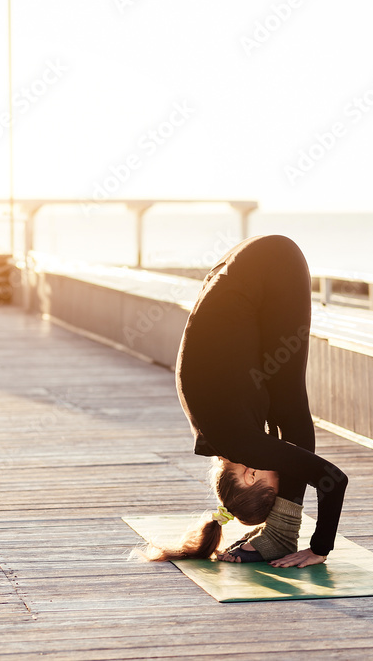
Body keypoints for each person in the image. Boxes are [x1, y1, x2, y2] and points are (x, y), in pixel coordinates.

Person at [138, 234, 347, 568]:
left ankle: (282, 532)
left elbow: (332, 479)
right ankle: (279, 530)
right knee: (285, 407)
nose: (285, 471)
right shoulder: (213, 432)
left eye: (276, 484)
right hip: (245, 265)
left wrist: (320, 547)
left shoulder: (244, 443)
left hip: (272, 264)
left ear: (250, 476)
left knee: (291, 412)